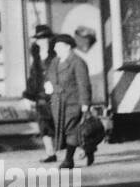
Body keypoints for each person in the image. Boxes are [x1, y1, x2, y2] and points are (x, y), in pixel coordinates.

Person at [46, 32, 93, 169]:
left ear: (67, 47)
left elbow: (83, 84)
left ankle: (68, 160)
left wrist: (85, 103)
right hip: (57, 103)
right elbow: (49, 78)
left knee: (71, 130)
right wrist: (49, 86)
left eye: (58, 46)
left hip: (73, 102)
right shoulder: (55, 62)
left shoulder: (77, 62)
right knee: (66, 131)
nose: (55, 49)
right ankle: (88, 149)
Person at [24, 25, 57, 162]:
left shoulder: (56, 55)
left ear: (50, 40)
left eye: (44, 38)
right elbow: (33, 77)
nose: (42, 41)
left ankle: (82, 149)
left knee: (62, 124)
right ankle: (50, 153)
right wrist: (29, 94)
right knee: (44, 124)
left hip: (56, 95)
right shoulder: (36, 57)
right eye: (39, 39)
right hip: (41, 96)